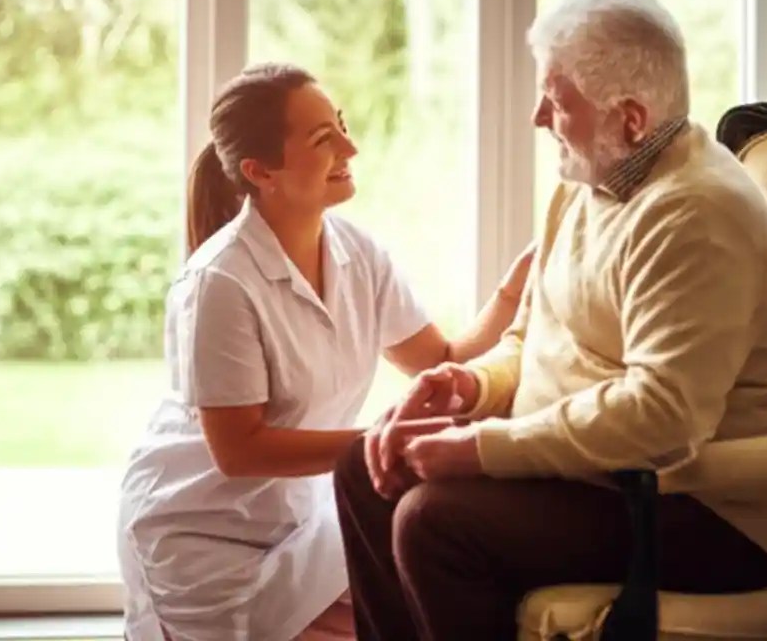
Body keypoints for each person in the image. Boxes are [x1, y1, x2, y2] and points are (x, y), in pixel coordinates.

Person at [333, 0, 767, 640]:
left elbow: (664, 418)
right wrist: (470, 387)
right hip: (602, 478)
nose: (537, 117)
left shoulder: (698, 215)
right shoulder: (588, 183)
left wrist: (481, 449)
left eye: (556, 100)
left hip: (698, 508)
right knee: (365, 467)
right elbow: (530, 338)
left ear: (632, 119)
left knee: (434, 522)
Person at [116, 62, 536, 641]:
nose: (351, 146)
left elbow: (442, 358)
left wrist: (517, 290)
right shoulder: (218, 283)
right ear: (260, 171)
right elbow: (240, 450)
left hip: (297, 523)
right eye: (323, 138)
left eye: (340, 125)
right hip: (203, 535)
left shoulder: (358, 253)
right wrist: (387, 442)